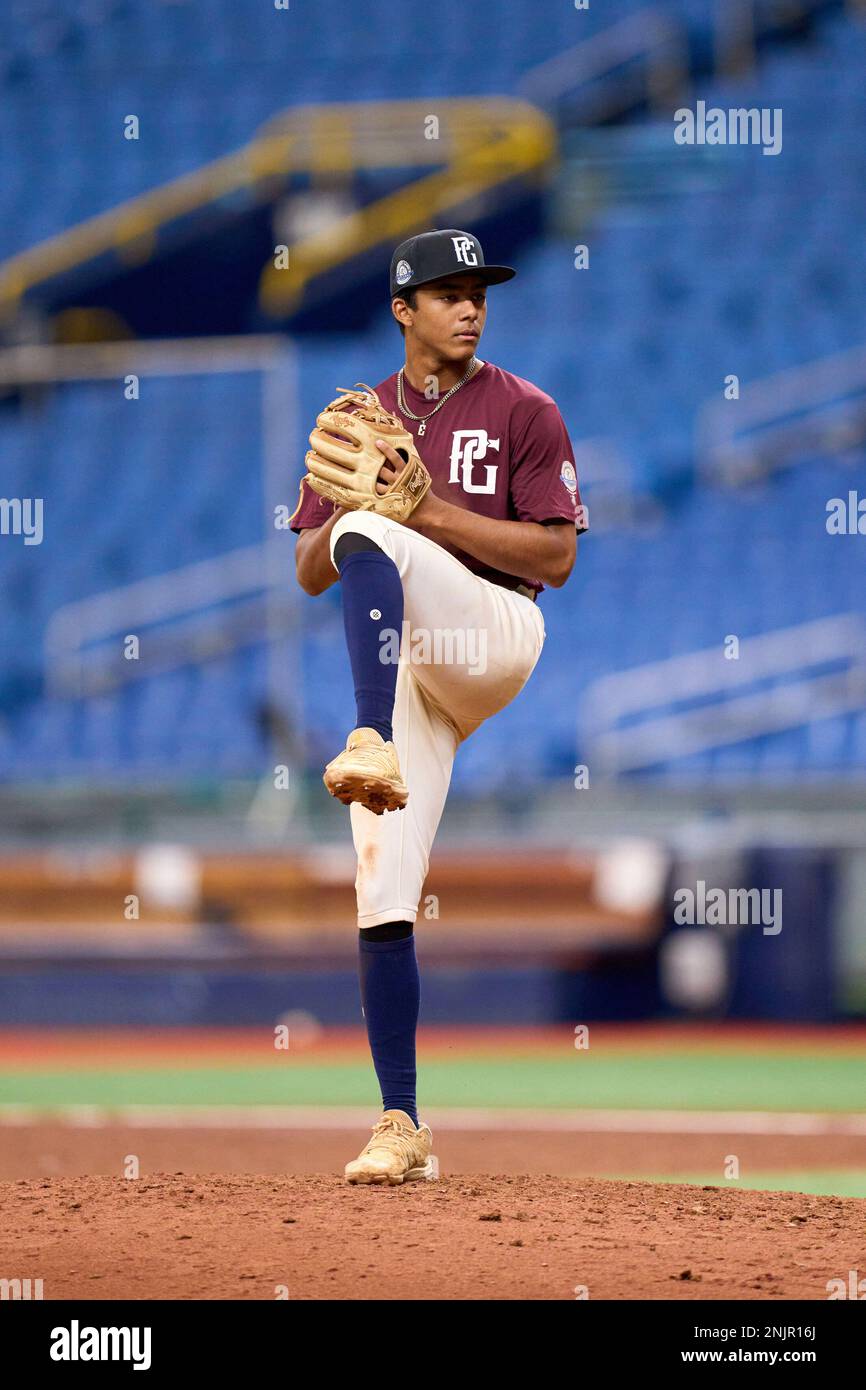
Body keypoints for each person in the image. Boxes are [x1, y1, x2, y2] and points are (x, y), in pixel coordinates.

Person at [292, 228, 586, 1184]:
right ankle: (400, 1123)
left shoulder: (525, 409)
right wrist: (350, 512)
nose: (470, 305)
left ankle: (366, 733)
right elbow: (308, 570)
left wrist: (418, 514)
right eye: (448, 290)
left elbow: (557, 557)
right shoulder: (360, 418)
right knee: (379, 880)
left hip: (495, 633)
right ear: (401, 310)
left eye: (479, 290)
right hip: (412, 660)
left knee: (381, 522)